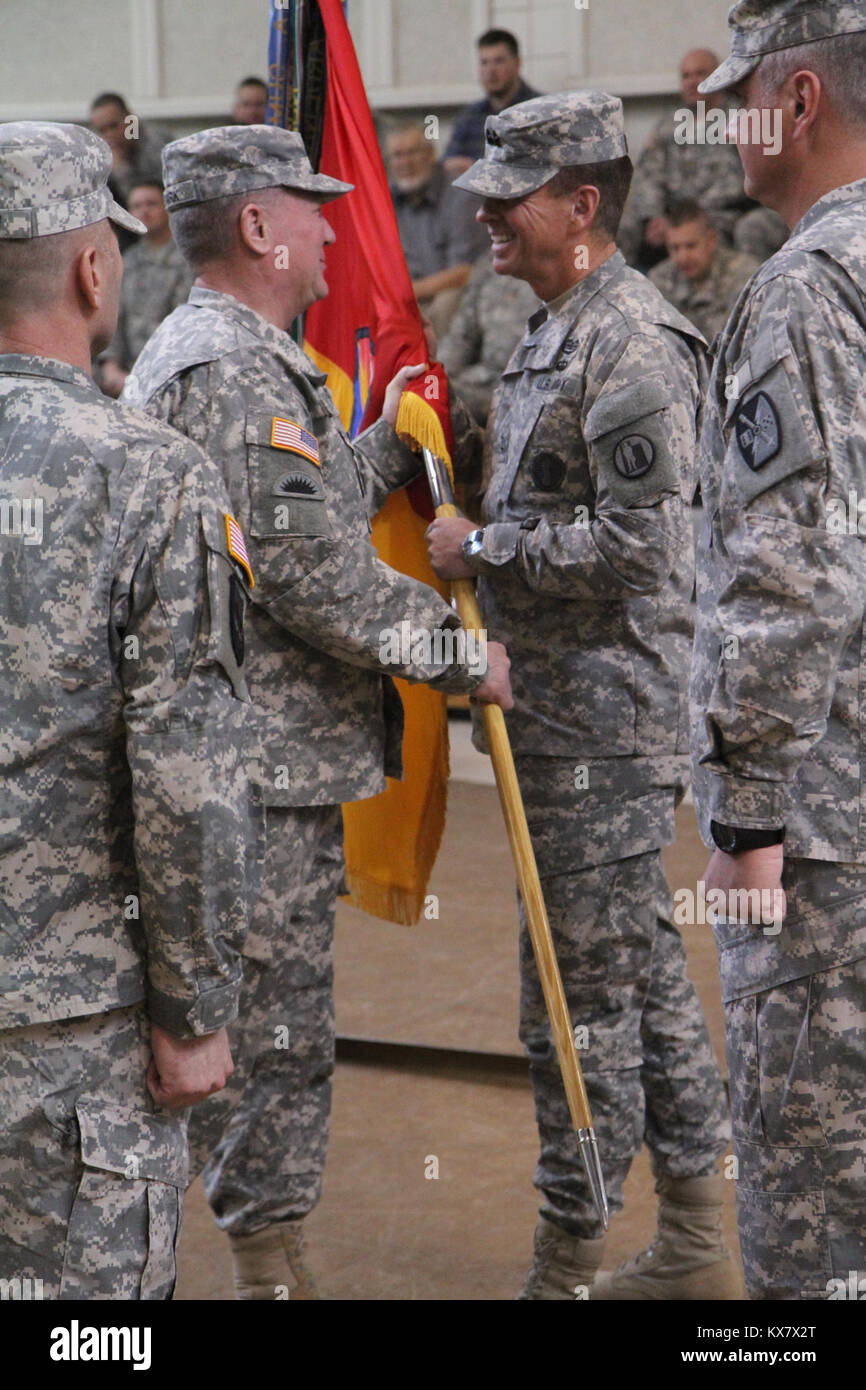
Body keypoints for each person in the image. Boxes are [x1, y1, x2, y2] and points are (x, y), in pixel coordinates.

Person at [122, 123, 513, 1300]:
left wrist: (386, 445)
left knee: (240, 1037)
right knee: (263, 1045)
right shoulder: (234, 369)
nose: (333, 226)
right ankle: (260, 1272)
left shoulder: (232, 361)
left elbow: (294, 521)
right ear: (257, 227)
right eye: (310, 206)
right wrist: (459, 653)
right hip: (252, 776)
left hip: (247, 767)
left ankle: (245, 1263)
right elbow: (308, 577)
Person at [427, 92, 736, 1301]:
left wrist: (482, 554)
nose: (488, 212)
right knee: (644, 990)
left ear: (584, 202)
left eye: (514, 194)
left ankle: (567, 1264)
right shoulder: (556, 322)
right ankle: (701, 1246)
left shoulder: (631, 341)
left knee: (571, 1009)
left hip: (603, 728)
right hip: (559, 720)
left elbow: (643, 552)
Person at [0, 121, 262, 1300]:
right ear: (92, 270)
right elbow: (186, 777)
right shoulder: (145, 473)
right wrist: (195, 1006)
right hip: (71, 1033)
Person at [690, 0, 866, 1301]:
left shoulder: (804, 291)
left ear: (796, 100)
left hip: (827, 835)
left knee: (812, 1225)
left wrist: (744, 808)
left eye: (739, 90)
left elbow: (781, 580)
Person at [618, 49, 748, 270]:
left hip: (719, 214)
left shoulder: (740, 119)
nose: (692, 82)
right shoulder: (668, 125)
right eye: (686, 76)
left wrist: (686, 221)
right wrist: (655, 216)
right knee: (624, 228)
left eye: (700, 74)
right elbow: (647, 176)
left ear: (720, 75)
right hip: (668, 219)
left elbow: (737, 182)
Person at [386, 122, 488, 337]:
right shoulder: (386, 199)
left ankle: (439, 368)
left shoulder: (461, 194)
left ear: (431, 154)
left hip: (454, 294)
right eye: (397, 155)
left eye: (412, 153)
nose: (405, 163)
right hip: (407, 297)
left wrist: (406, 293)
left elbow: (465, 273)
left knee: (447, 302)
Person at [100, 179, 193, 397]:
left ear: (167, 208)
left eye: (151, 204)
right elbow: (114, 316)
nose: (143, 211)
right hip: (125, 376)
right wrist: (111, 366)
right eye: (136, 206)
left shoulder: (187, 261)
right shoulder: (127, 261)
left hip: (171, 375)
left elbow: (183, 325)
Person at [439, 252, 540, 430]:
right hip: (481, 380)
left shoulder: (558, 263)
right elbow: (461, 336)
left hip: (530, 385)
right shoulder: (489, 263)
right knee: (420, 397)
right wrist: (435, 375)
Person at [649, 200, 759, 344]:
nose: (682, 257)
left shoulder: (744, 274)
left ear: (711, 240)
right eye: (674, 248)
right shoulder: (659, 279)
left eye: (691, 246)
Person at [443, 28, 540, 176]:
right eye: (484, 63)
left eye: (498, 61)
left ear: (517, 64)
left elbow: (539, 169)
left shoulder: (539, 111)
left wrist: (475, 168)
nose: (490, 71)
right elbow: (448, 165)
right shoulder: (469, 116)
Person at [88, 92, 171, 210]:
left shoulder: (156, 143)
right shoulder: (98, 153)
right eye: (102, 130)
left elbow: (143, 200)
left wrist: (121, 169)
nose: (109, 135)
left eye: (113, 126)